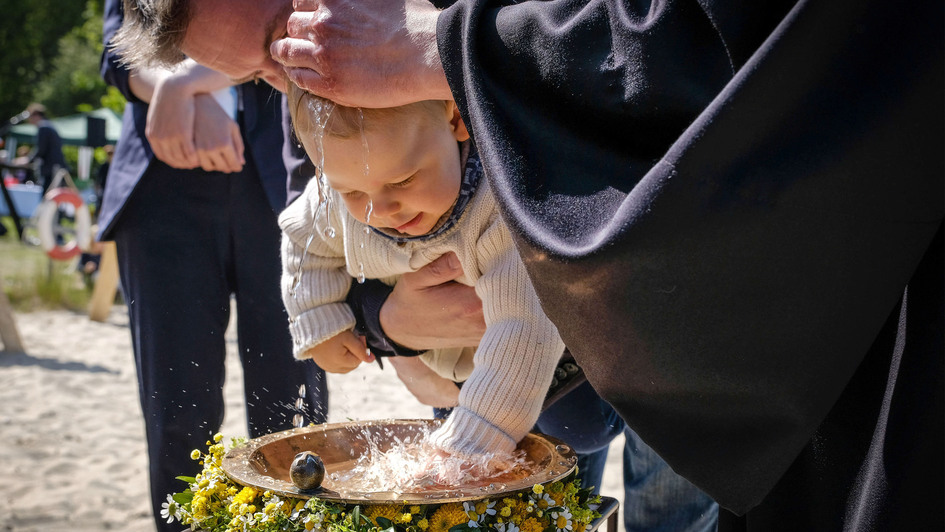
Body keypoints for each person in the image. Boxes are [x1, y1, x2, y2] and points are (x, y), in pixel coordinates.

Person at [114, 0, 943, 528]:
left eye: (286, 34)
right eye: (262, 75)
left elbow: (708, 37)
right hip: (529, 400)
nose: (303, 75)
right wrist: (377, 320)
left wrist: (446, 49)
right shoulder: (324, 98)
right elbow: (321, 221)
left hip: (695, 319)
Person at [101, 1, 329, 530]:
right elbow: (120, 45)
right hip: (162, 192)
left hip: (283, 190)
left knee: (291, 406)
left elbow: (309, 26)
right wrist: (173, 88)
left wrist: (187, 85)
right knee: (175, 406)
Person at [24, 103, 68, 193]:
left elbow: (41, 150)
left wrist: (27, 160)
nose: (29, 120)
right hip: (55, 168)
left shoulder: (43, 127)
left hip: (51, 170)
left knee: (48, 197)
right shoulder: (49, 126)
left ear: (36, 115)